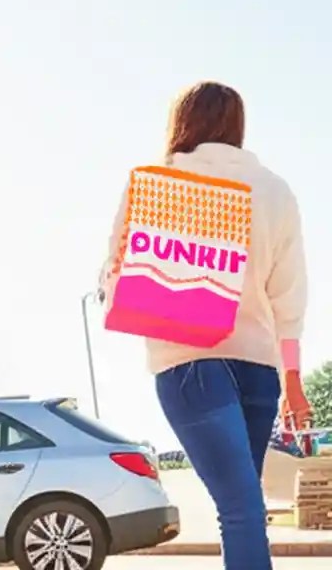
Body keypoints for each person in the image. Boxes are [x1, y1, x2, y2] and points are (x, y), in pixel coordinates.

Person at [100, 81, 309, 570]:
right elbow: (289, 295)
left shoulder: (153, 183)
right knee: (244, 506)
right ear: (238, 126)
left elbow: (115, 276)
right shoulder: (276, 191)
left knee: (239, 508)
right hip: (259, 367)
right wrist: (294, 379)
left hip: (187, 365)